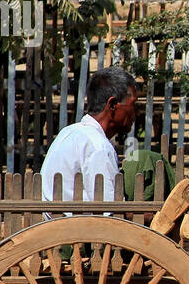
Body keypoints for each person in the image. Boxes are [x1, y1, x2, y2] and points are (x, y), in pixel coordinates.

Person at [41, 67, 140, 211]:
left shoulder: (69, 132)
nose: (136, 112)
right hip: (76, 229)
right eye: (133, 105)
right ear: (112, 105)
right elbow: (110, 212)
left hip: (54, 224)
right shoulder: (97, 146)